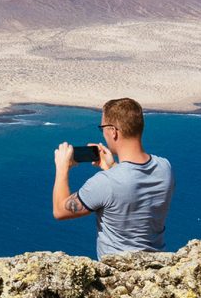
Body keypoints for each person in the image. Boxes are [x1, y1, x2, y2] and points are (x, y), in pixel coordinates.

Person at [51, 97, 174, 259]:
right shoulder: (165, 167)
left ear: (113, 131)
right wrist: (110, 166)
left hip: (118, 272)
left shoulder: (106, 182)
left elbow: (60, 210)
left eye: (102, 127)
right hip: (156, 267)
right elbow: (132, 184)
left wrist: (62, 168)